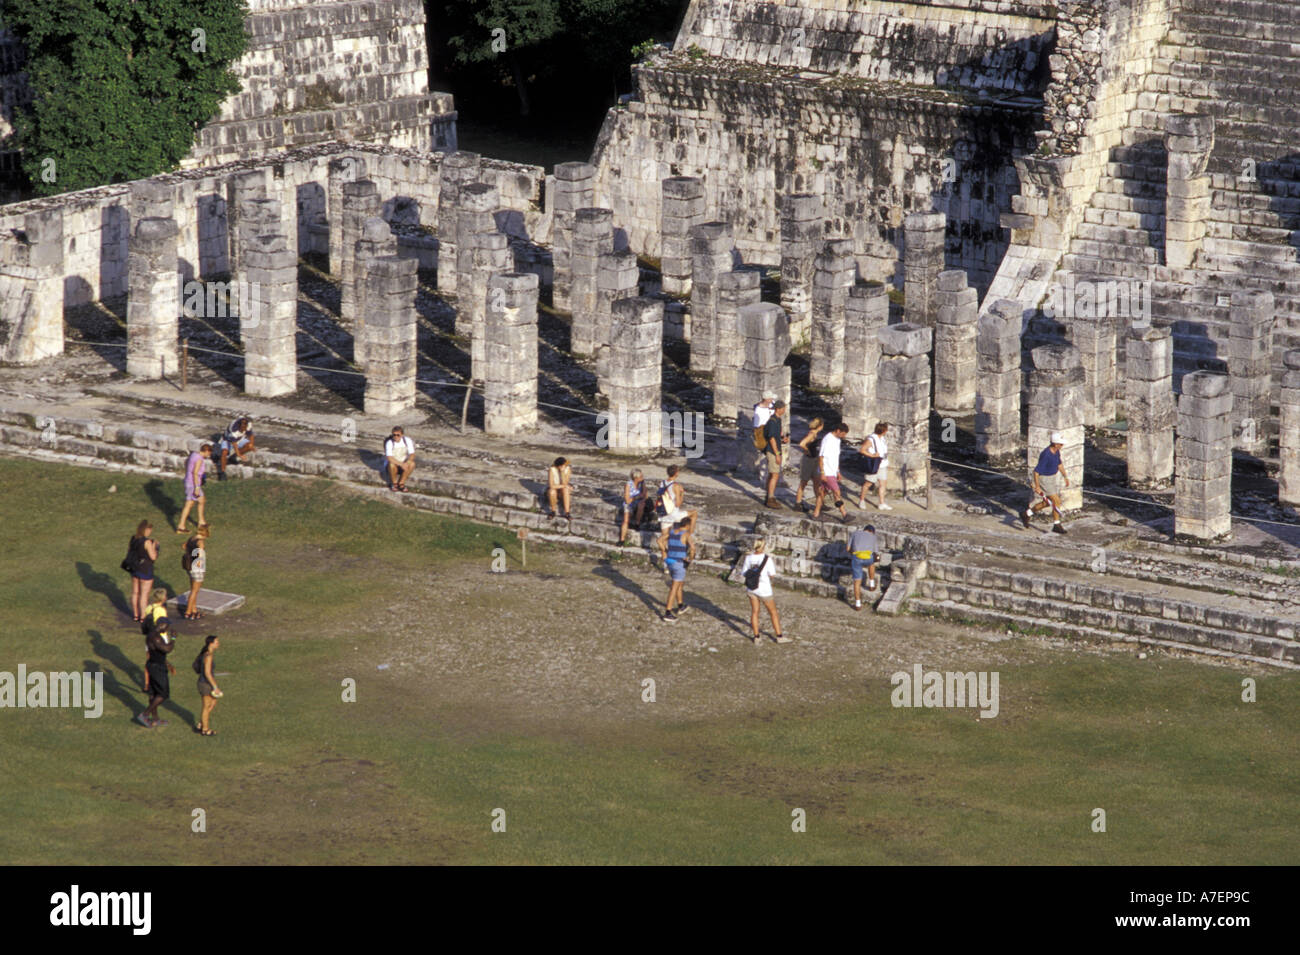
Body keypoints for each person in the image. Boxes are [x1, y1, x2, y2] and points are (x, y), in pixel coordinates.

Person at [739, 539, 788, 644]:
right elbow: (772, 574)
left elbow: (744, 572)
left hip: (751, 588)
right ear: (763, 547)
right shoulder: (767, 559)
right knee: (773, 613)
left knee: (755, 612)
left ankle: (756, 637)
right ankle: (779, 636)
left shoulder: (748, 558)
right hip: (764, 589)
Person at [1024, 432, 1071, 534]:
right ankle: (1056, 524)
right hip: (1044, 479)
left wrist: (1065, 476)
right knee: (1056, 501)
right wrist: (1037, 486)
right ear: (1055, 444)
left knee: (1047, 503)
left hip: (1052, 478)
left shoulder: (1057, 451)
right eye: (1061, 444)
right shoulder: (1046, 454)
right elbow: (1036, 472)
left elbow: (1059, 464)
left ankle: (1027, 513)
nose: (1062, 446)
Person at [657, 512, 697, 622]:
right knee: (674, 587)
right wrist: (690, 559)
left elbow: (659, 540)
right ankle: (668, 612)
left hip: (669, 561)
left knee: (679, 583)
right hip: (679, 563)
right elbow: (693, 549)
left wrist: (664, 551)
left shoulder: (672, 532)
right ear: (687, 525)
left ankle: (680, 605)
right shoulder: (686, 535)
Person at [139, 620, 176, 728]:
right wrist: (173, 638)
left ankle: (155, 719)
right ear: (162, 625)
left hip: (153, 664)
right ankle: (145, 714)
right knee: (163, 694)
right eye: (167, 626)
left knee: (154, 694)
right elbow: (167, 649)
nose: (168, 629)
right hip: (157, 668)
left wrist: (168, 664)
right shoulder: (156, 637)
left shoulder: (152, 635)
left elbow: (158, 654)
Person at [813, 422, 851, 523]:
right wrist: (822, 472)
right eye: (843, 434)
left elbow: (836, 457)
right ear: (838, 431)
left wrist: (838, 471)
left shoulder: (837, 440)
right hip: (827, 471)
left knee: (823, 493)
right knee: (836, 492)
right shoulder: (827, 439)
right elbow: (821, 457)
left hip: (832, 471)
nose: (844, 436)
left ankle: (816, 514)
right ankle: (844, 514)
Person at [125, 520, 160, 622]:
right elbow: (153, 557)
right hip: (145, 569)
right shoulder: (147, 542)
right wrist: (155, 547)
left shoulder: (133, 538)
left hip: (134, 568)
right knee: (144, 594)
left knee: (135, 592)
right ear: (147, 529)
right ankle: (143, 617)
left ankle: (136, 615)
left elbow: (129, 551)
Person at [857, 422, 893, 511]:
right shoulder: (871, 439)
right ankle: (861, 500)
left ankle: (881, 503)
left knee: (883, 484)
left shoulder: (882, 439)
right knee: (868, 483)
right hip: (874, 464)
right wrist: (872, 455)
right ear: (883, 431)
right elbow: (862, 450)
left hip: (882, 464)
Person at [176, 444, 212, 533]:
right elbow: (195, 473)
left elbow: (186, 463)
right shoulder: (199, 459)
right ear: (207, 451)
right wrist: (197, 487)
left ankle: (201, 522)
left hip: (189, 481)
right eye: (209, 453)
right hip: (193, 484)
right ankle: (181, 526)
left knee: (201, 500)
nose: (209, 455)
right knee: (189, 504)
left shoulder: (193, 455)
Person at [140, 588, 169, 692]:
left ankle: (147, 684)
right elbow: (164, 625)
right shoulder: (161, 610)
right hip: (160, 637)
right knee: (159, 660)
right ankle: (158, 683)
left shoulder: (149, 607)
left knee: (149, 660)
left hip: (149, 637)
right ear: (162, 598)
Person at [194, 635, 222, 736]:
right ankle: (205, 729)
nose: (218, 643)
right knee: (206, 706)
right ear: (211, 644)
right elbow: (207, 673)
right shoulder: (208, 656)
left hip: (205, 683)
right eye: (216, 642)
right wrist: (215, 687)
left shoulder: (206, 654)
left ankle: (201, 724)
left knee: (213, 702)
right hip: (205, 684)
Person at [795, 417, 825, 511]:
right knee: (804, 482)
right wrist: (807, 451)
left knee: (817, 482)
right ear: (820, 426)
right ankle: (798, 503)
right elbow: (802, 444)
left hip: (814, 460)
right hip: (808, 461)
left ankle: (820, 503)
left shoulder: (814, 434)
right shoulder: (812, 434)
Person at [847, 524, 879, 610]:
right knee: (872, 563)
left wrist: (854, 554)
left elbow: (848, 549)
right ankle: (872, 584)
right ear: (872, 531)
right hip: (868, 557)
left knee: (857, 581)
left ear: (865, 529)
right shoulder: (873, 537)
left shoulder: (855, 533)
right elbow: (876, 552)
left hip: (857, 557)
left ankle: (858, 604)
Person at [762, 400, 788, 509]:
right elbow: (772, 438)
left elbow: (778, 434)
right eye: (783, 408)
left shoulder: (778, 420)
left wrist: (783, 438)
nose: (784, 410)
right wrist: (777, 453)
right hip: (772, 451)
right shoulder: (772, 421)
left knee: (772, 474)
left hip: (775, 450)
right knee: (775, 474)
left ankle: (769, 496)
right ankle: (771, 499)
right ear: (778, 409)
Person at [655, 464, 696, 529]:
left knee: (664, 535)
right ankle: (687, 534)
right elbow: (678, 504)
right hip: (673, 514)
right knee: (694, 513)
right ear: (676, 473)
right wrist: (682, 493)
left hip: (663, 513)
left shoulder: (662, 483)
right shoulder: (676, 486)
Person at [182, 524, 210, 619]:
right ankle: (188, 612)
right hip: (197, 568)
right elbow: (200, 556)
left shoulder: (192, 538)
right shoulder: (200, 542)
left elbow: (184, 546)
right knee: (194, 591)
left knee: (193, 590)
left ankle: (194, 610)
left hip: (189, 567)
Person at [216, 416, 256, 480]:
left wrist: (251, 444)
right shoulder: (234, 429)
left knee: (249, 446)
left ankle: (232, 458)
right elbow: (234, 444)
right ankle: (222, 472)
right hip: (227, 440)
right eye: (243, 429)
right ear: (239, 426)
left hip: (239, 439)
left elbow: (251, 435)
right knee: (224, 452)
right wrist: (239, 455)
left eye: (245, 428)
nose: (244, 430)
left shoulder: (248, 424)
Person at [618, 469, 647, 546]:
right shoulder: (628, 484)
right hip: (629, 503)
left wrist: (639, 498)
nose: (642, 477)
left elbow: (644, 494)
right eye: (641, 476)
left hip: (638, 502)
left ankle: (637, 523)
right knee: (625, 520)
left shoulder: (642, 483)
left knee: (641, 505)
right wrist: (637, 497)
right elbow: (627, 500)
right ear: (636, 477)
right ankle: (622, 539)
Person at [384, 427, 416, 492]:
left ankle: (401, 483)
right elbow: (389, 457)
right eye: (394, 435)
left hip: (404, 463)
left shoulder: (407, 441)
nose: (396, 437)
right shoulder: (389, 443)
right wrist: (401, 464)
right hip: (394, 464)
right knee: (391, 464)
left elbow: (412, 454)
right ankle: (394, 483)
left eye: (398, 435)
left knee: (412, 464)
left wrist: (407, 463)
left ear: (402, 435)